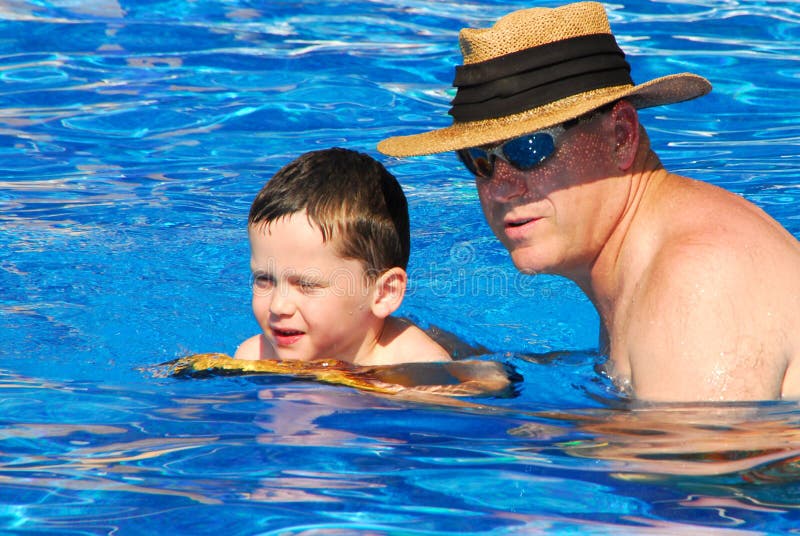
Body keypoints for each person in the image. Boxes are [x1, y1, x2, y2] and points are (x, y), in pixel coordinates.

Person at [378, 1, 800, 401]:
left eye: (530, 149)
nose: (501, 187)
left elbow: (705, 470)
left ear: (621, 136)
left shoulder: (696, 281)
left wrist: (508, 429)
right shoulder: (645, 264)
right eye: (479, 160)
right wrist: (467, 366)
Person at [234, 147, 452, 365]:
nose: (278, 306)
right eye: (264, 280)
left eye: (307, 284)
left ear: (384, 293)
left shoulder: (417, 369)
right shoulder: (255, 357)